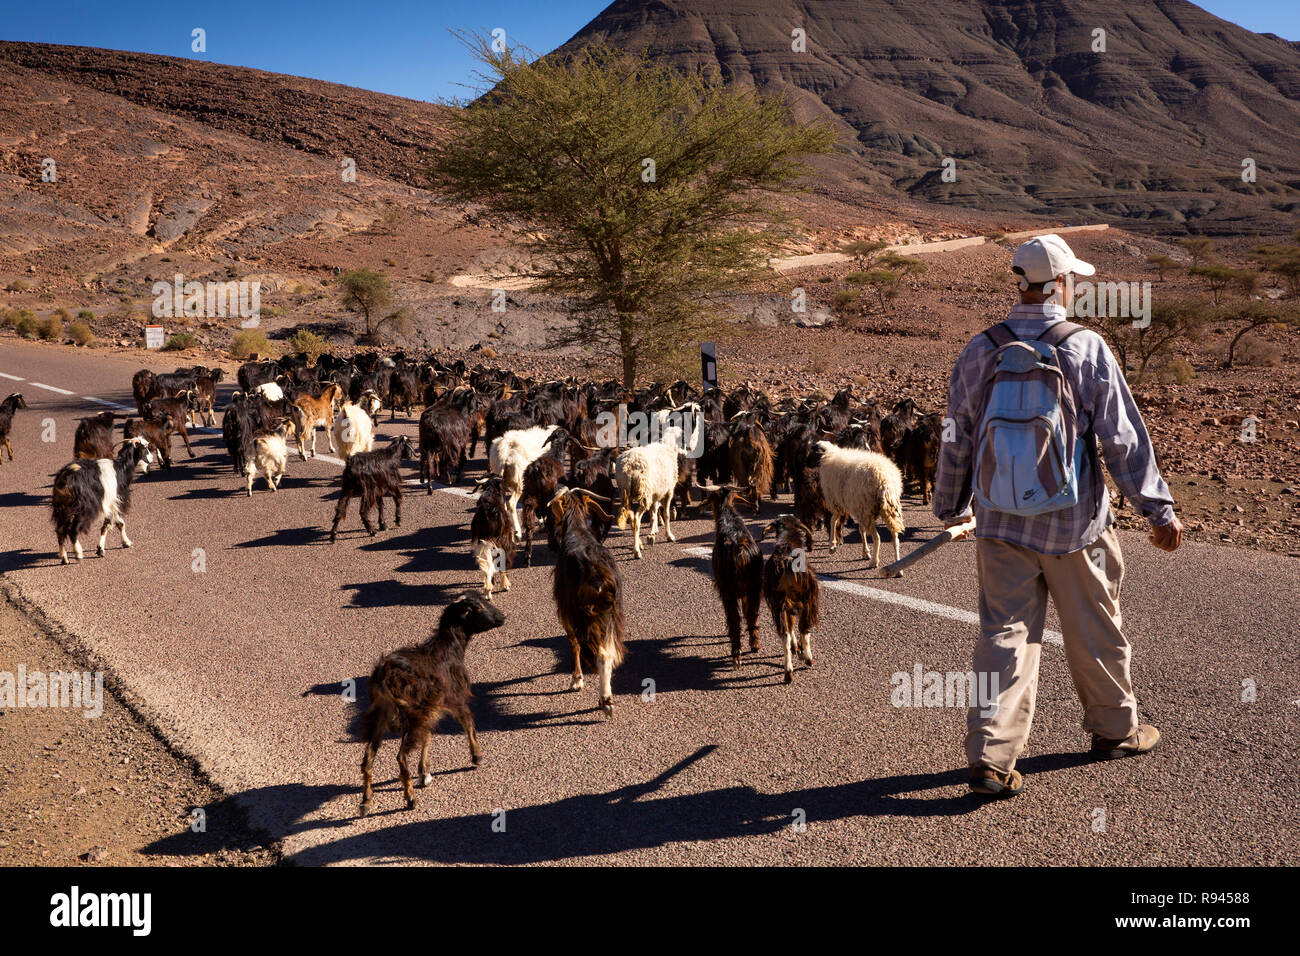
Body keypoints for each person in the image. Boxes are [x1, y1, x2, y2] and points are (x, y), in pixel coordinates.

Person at [932, 234, 1183, 798]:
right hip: (1076, 526)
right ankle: (1116, 731)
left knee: (1005, 634)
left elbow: (956, 437)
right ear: (1064, 285)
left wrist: (949, 505)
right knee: (1094, 627)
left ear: (1019, 282)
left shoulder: (980, 348)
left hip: (997, 521)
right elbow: (1122, 439)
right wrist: (1156, 509)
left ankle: (992, 758)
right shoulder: (1085, 347)